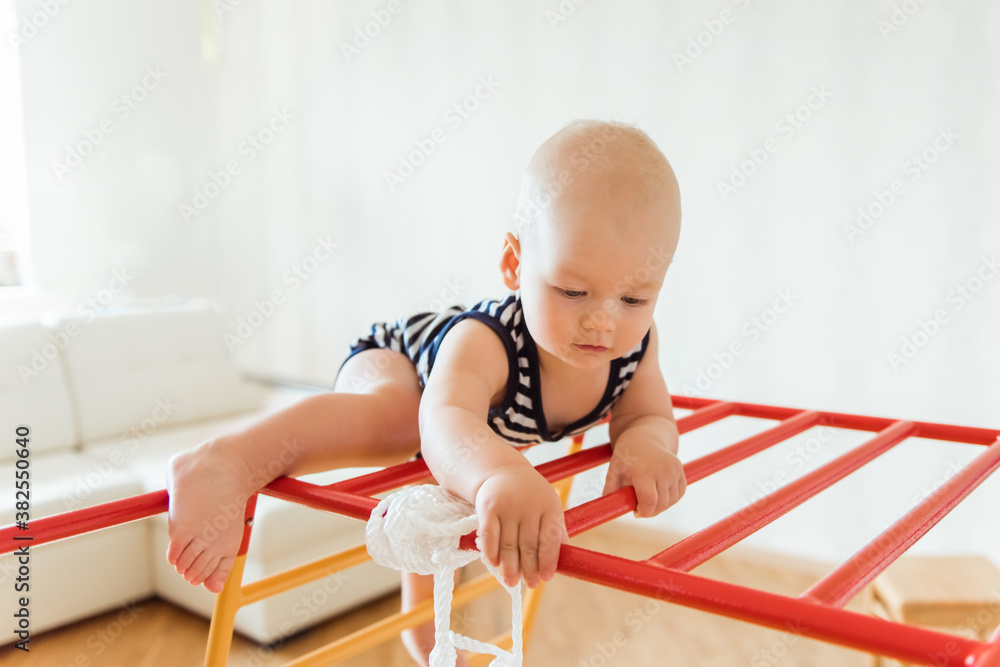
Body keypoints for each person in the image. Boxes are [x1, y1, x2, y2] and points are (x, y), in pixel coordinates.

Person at [165, 118, 686, 666]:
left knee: (449, 501)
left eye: (634, 299)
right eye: (573, 291)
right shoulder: (488, 341)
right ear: (514, 265)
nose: (603, 321)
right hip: (397, 364)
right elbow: (443, 422)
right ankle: (226, 460)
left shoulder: (636, 348)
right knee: (402, 421)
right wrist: (501, 473)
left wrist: (647, 446)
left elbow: (647, 414)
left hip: (470, 430)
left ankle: (424, 633)